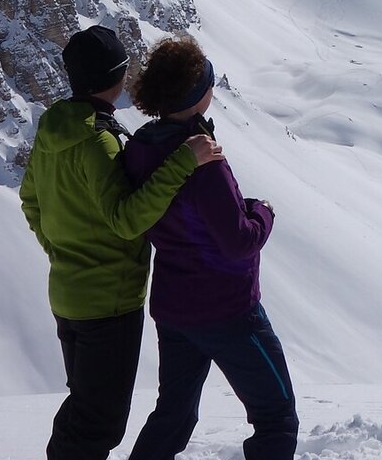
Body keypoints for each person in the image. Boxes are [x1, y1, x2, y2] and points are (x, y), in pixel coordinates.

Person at [19, 25, 225, 460]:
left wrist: (64, 252)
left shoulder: (54, 128)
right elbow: (127, 219)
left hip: (68, 295)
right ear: (116, 76)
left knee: (85, 409)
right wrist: (184, 161)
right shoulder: (98, 140)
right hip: (109, 302)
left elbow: (31, 201)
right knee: (100, 422)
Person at [122, 36, 298, 460]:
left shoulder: (140, 147)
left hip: (175, 307)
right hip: (228, 309)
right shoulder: (203, 160)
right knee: (276, 416)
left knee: (175, 415)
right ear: (199, 94)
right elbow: (239, 240)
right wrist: (264, 210)